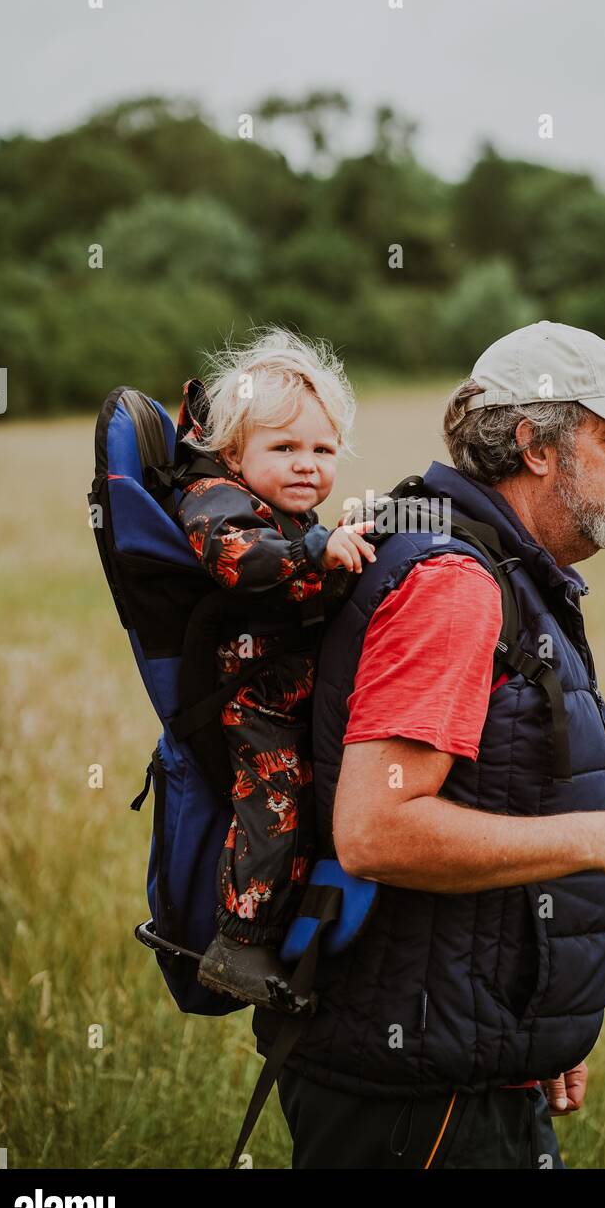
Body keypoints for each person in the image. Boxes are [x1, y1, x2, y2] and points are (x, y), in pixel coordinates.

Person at [252, 319, 605, 1169]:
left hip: (463, 1066)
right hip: (416, 1102)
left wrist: (533, 1038)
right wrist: (603, 839)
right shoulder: (454, 586)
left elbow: (493, 796)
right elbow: (376, 830)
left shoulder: (496, 567)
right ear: (535, 446)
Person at [172, 326, 378, 1006]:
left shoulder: (298, 516)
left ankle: (301, 928)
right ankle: (239, 943)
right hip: (252, 702)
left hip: (296, 696)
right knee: (276, 800)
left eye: (322, 450)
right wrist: (319, 551)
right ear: (233, 452)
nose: (305, 465)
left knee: (320, 805)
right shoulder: (217, 504)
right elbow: (238, 559)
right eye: (284, 448)